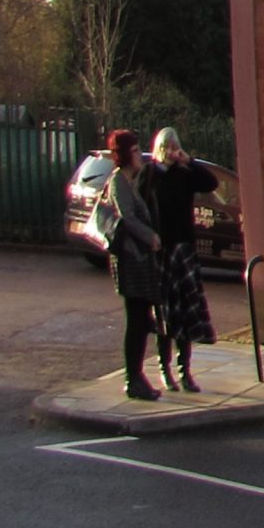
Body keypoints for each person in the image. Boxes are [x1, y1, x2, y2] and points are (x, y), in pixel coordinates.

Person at [146, 127, 220, 391]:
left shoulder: (183, 174)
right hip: (161, 251)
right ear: (158, 148)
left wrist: (188, 161)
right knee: (165, 314)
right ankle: (164, 368)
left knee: (186, 312)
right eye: (166, 147)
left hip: (183, 248)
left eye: (174, 147)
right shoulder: (151, 175)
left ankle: (184, 369)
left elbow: (211, 183)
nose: (170, 152)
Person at [98, 129, 165, 400]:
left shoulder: (129, 180)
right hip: (130, 260)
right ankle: (133, 378)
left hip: (139, 259)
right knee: (136, 320)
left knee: (141, 318)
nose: (140, 155)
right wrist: (151, 237)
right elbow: (127, 218)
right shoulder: (118, 182)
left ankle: (136, 377)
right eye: (135, 150)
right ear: (125, 154)